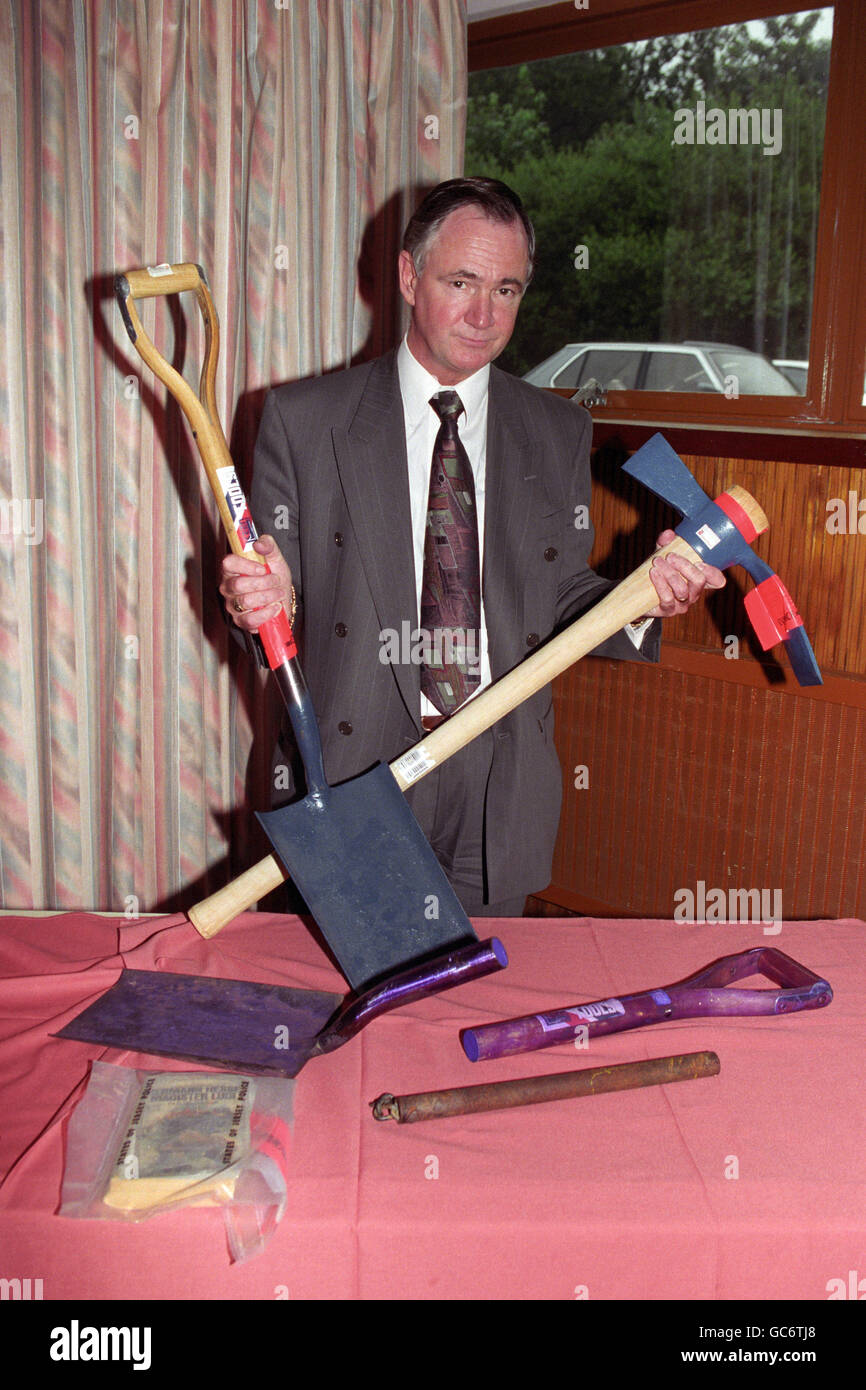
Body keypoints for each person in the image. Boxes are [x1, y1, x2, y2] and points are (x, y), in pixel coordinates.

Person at [220, 178, 724, 916]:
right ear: (408, 277)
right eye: (462, 282)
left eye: (507, 289)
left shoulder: (556, 431)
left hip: (499, 781)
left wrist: (648, 594)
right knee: (349, 1011)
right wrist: (261, 598)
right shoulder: (305, 420)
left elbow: (559, 599)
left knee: (473, 1011)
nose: (485, 315)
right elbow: (274, 602)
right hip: (355, 777)